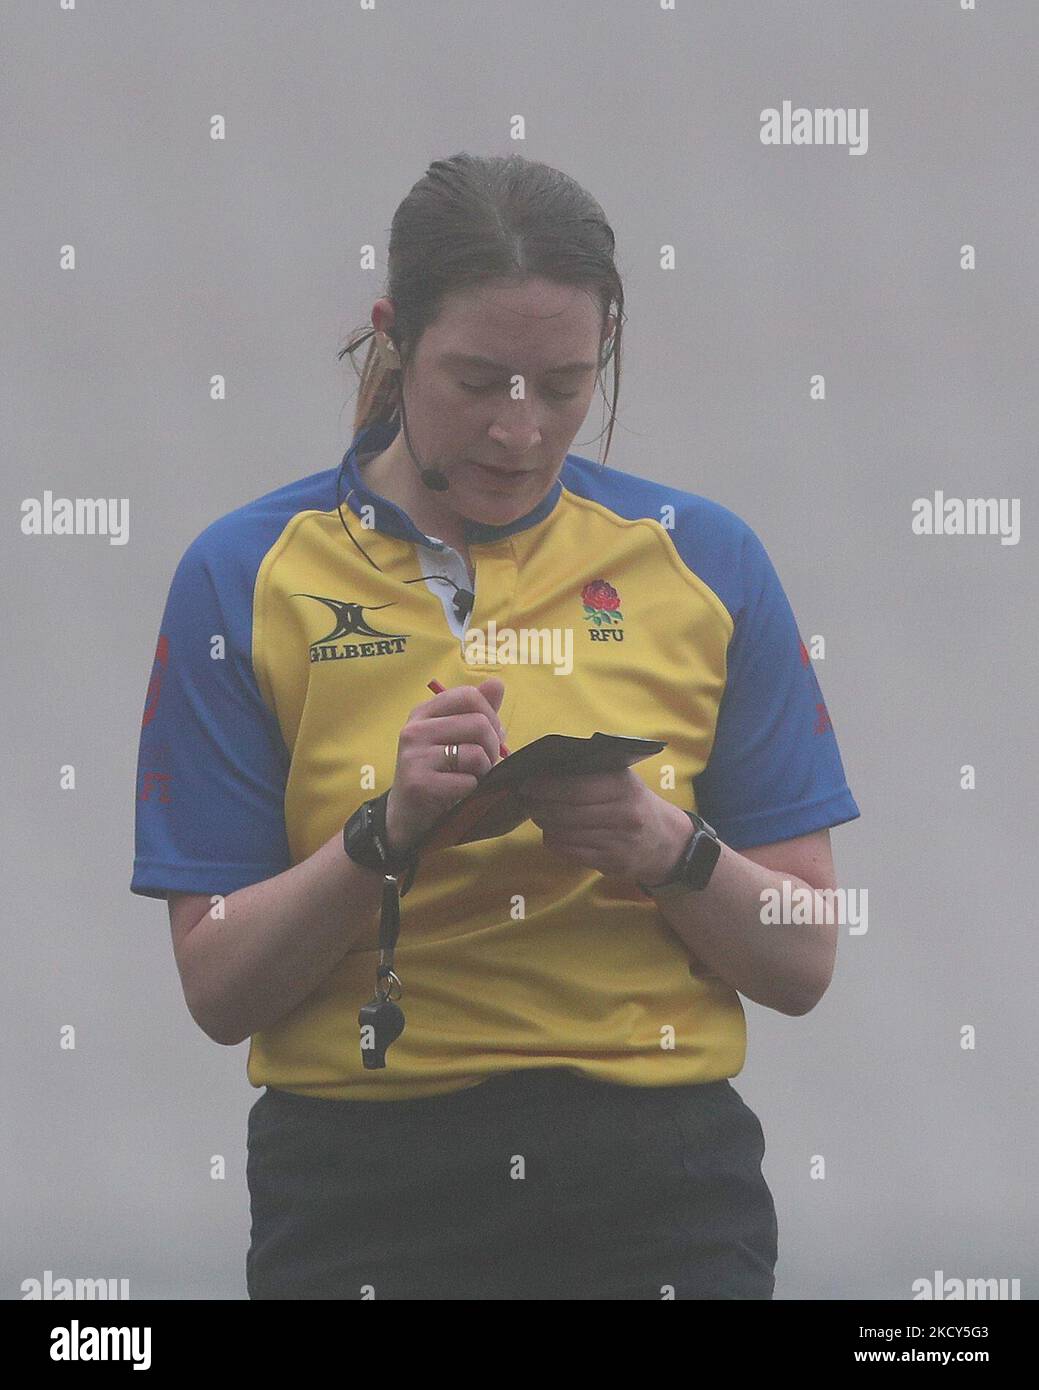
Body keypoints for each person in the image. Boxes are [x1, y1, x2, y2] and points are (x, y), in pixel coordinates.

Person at [131, 151, 860, 1300]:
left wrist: (667, 847)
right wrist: (384, 833)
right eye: (477, 380)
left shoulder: (704, 560)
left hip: (656, 1183)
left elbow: (806, 952)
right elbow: (218, 988)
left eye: (564, 384)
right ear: (393, 337)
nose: (520, 431)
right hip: (363, 1188)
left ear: (606, 355)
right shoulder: (243, 573)